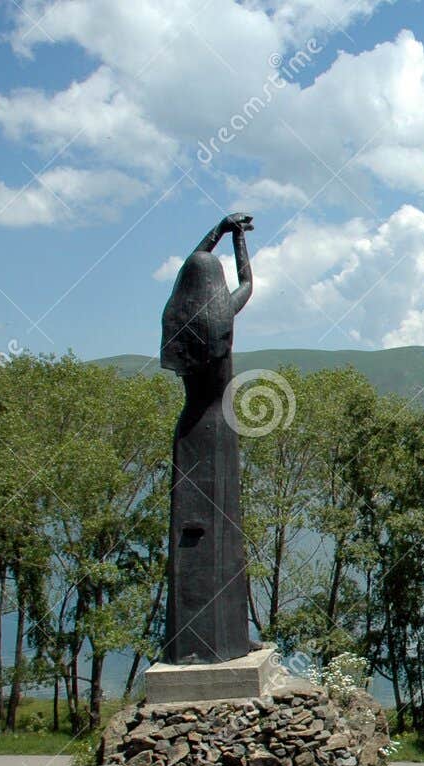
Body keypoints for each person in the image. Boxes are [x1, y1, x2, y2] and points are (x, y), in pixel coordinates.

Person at [159, 213, 255, 663]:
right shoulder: (221, 317)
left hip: (190, 429)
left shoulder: (177, 320)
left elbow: (191, 264)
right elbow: (248, 283)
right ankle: (216, 643)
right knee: (220, 536)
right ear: (216, 284)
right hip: (218, 429)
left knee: (203, 537)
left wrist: (217, 231)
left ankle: (213, 641)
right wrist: (237, 238)